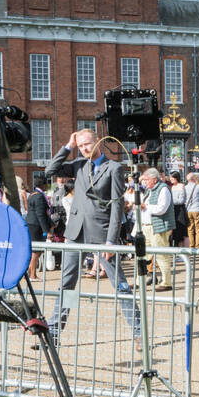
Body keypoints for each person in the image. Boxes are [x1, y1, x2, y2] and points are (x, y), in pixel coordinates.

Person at [45, 128, 142, 348]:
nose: (84, 149)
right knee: (67, 284)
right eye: (80, 146)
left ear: (98, 141)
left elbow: (117, 206)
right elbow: (51, 170)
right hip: (76, 233)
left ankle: (138, 332)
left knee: (120, 285)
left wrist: (111, 240)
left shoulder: (113, 168)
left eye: (87, 144)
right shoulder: (78, 164)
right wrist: (68, 146)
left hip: (102, 233)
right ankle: (54, 330)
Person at [139, 167, 175, 292]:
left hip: (158, 227)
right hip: (147, 226)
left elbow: (162, 208)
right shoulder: (149, 190)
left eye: (146, 180)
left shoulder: (163, 189)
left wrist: (145, 206)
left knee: (161, 254)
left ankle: (166, 282)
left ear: (154, 179)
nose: (144, 182)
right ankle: (141, 280)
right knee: (143, 255)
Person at [24, 171, 53, 281]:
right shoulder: (39, 197)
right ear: (43, 185)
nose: (47, 186)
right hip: (36, 225)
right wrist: (48, 231)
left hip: (32, 224)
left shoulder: (33, 194)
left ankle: (31, 272)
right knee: (36, 251)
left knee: (36, 251)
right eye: (47, 184)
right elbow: (40, 215)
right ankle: (32, 275)